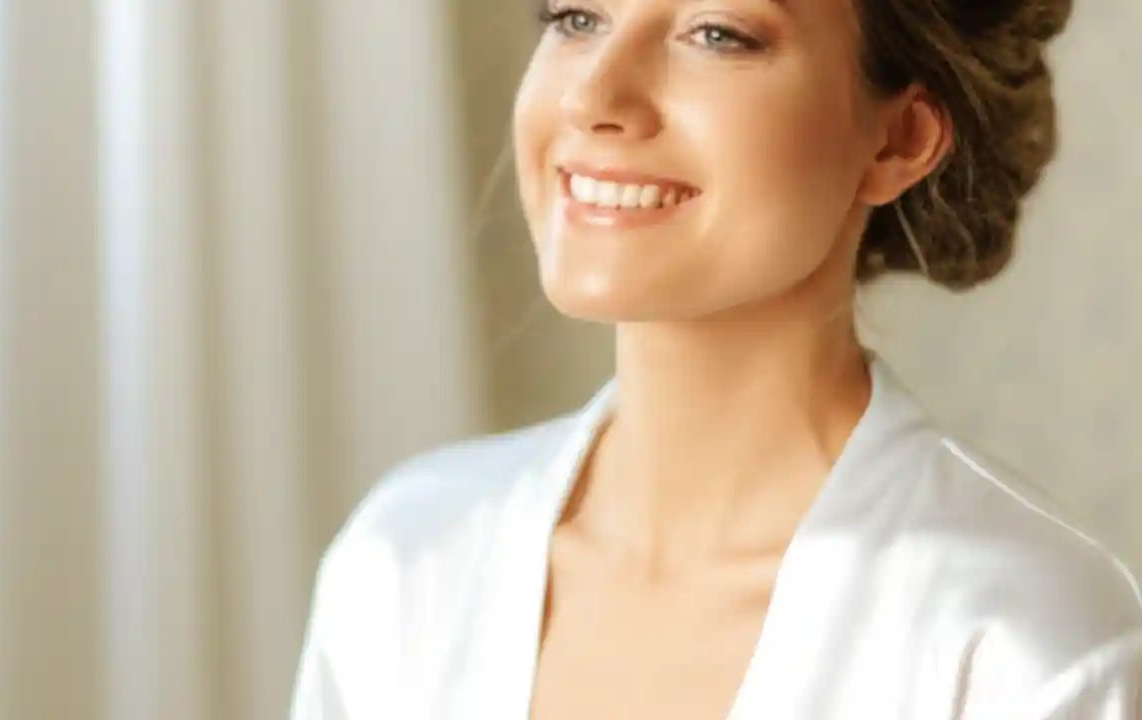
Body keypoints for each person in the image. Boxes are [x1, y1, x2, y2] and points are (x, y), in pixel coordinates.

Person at [290, 0, 1142, 717]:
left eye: (717, 33)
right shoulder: (402, 564)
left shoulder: (1018, 638)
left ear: (899, 140)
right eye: (578, 16)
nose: (595, 94)